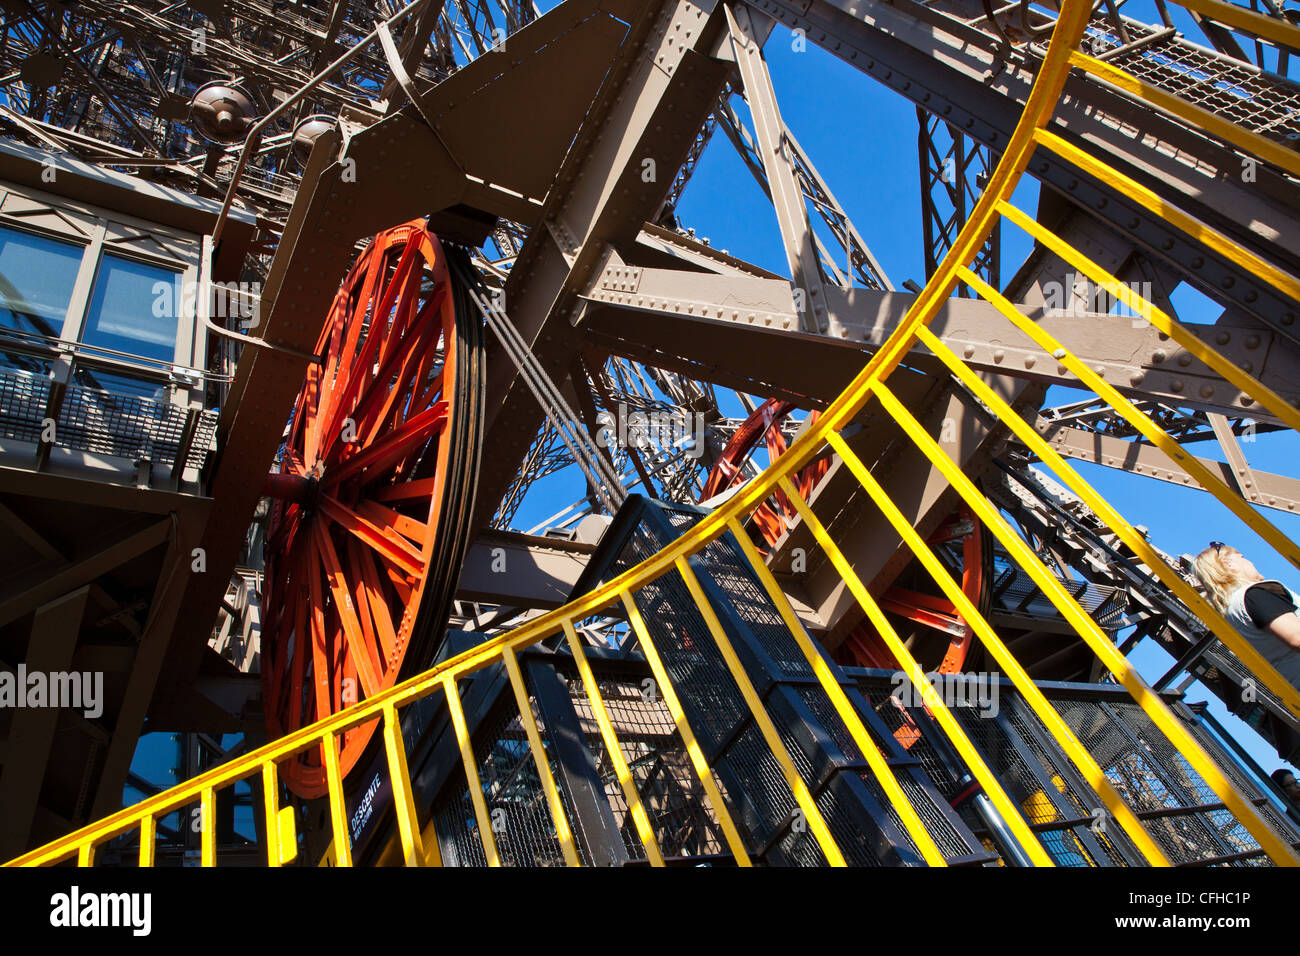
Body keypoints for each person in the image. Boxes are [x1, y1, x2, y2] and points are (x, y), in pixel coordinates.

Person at [1193, 541, 1300, 690]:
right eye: (1242, 557)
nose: (1250, 562)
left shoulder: (1230, 616)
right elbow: (1297, 637)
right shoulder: (1254, 595)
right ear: (1229, 565)